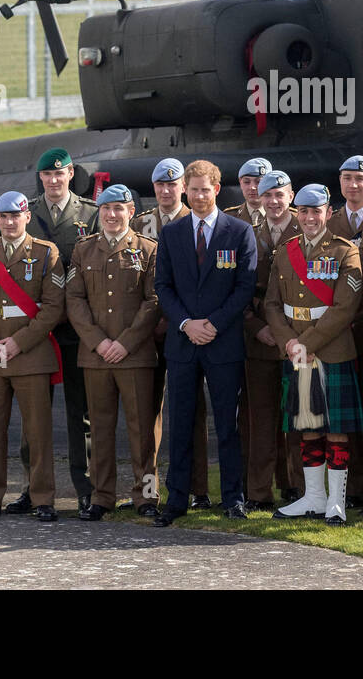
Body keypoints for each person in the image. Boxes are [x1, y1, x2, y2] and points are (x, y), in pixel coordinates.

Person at [151, 160, 257, 525]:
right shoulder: (172, 233)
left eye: (204, 189)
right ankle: (176, 500)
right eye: (192, 189)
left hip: (223, 342)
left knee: (227, 425)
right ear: (186, 191)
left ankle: (233, 499)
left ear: (216, 188)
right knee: (181, 424)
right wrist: (185, 323)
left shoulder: (239, 232)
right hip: (183, 343)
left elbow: (245, 287)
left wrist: (212, 324)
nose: (198, 196)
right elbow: (162, 286)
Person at [3, 146, 98, 518]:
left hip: (75, 330)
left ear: (71, 174)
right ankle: (33, 488)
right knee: (34, 415)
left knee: (82, 413)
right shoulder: (28, 212)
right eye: (47, 175)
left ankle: (87, 489)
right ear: (40, 178)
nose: (54, 180)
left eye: (60, 174)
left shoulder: (88, 215)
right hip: (35, 329)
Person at [0, 190, 65, 523]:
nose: (8, 222)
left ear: (26, 217)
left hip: (30, 354)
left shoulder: (46, 254)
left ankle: (42, 497)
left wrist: (17, 342)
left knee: (38, 432)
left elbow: (52, 308)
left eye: (14, 216)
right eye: (3, 217)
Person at [264, 184, 363, 524]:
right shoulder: (285, 251)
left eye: (316, 211)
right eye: (304, 211)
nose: (309, 217)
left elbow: (344, 308)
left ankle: (336, 501)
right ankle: (313, 497)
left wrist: (306, 343)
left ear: (327, 212)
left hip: (331, 349)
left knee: (335, 427)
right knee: (307, 426)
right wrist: (289, 342)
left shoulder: (344, 251)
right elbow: (272, 305)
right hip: (296, 350)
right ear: (298, 211)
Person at [65, 185, 161, 520]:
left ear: (131, 212)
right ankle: (101, 497)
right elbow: (74, 301)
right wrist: (98, 341)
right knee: (100, 429)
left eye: (119, 208)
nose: (111, 215)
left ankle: (146, 496)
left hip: (134, 355)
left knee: (143, 431)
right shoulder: (83, 250)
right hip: (96, 356)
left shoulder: (148, 250)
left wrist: (125, 342)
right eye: (106, 209)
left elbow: (154, 301)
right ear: (99, 213)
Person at [131, 158, 212, 509]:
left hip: (184, 332)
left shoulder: (198, 221)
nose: (166, 191)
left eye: (172, 184)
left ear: (184, 187)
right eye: (159, 185)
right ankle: (148, 492)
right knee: (146, 417)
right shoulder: (139, 224)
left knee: (191, 413)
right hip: (146, 334)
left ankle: (198, 491)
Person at [240, 169, 299, 510]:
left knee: (297, 418)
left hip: (297, 339)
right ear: (258, 199)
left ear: (290, 196)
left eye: (280, 195)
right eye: (267, 195)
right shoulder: (247, 234)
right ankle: (259, 493)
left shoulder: (305, 230)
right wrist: (254, 325)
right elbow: (239, 288)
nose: (274, 201)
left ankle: (296, 487)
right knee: (260, 420)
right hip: (260, 339)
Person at [326, 154, 363, 511]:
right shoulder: (329, 222)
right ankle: (349, 491)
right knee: (344, 416)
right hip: (338, 333)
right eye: (347, 178)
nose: (353, 185)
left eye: (360, 179)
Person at [224, 157, 271, 228]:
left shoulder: (287, 216)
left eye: (258, 182)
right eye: (246, 182)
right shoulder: (228, 218)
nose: (252, 187)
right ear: (240, 183)